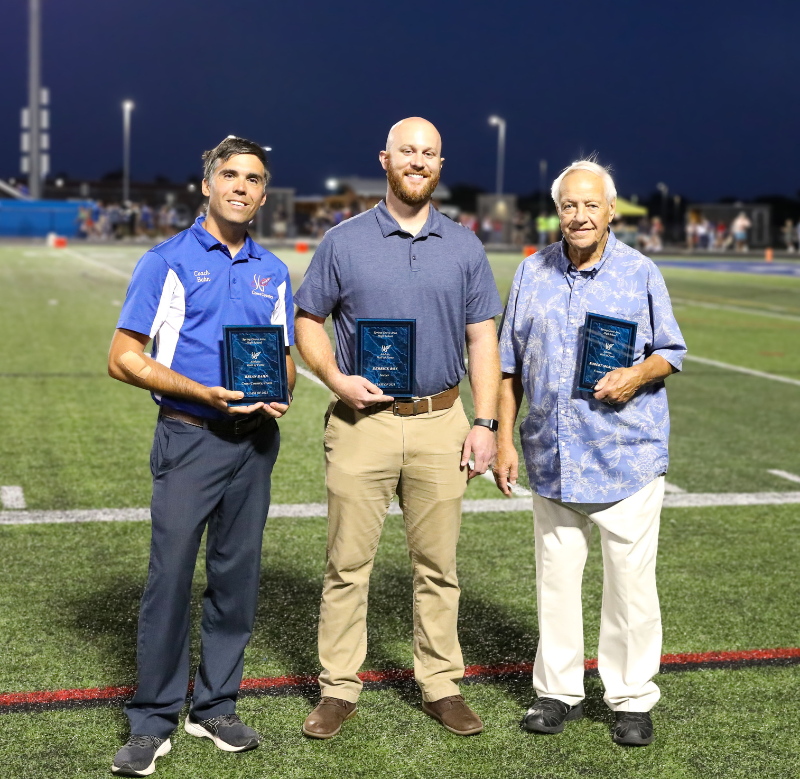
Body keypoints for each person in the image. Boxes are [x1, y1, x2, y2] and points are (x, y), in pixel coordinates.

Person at [294, 117, 502, 739]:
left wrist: (486, 421)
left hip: (442, 421)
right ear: (385, 159)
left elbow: (482, 339)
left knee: (438, 566)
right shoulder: (344, 240)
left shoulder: (464, 244)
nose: (418, 161)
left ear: (441, 164)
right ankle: (338, 687)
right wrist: (336, 378)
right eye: (407, 151)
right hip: (363, 424)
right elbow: (309, 320)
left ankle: (440, 682)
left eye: (429, 153)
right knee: (346, 565)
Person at [108, 136, 295, 776]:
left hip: (255, 445)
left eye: (254, 178)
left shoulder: (273, 269)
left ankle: (214, 705)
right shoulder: (167, 261)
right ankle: (153, 717)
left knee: (236, 581)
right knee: (170, 580)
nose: (242, 187)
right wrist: (203, 391)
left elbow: (286, 362)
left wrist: (279, 393)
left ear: (264, 193)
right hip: (190, 437)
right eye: (231, 175)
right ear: (208, 184)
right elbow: (124, 358)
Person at [494, 159, 686, 747]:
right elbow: (509, 365)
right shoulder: (532, 272)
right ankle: (557, 693)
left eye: (590, 206)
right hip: (552, 457)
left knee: (630, 591)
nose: (579, 216)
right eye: (569, 206)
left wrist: (635, 375)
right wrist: (503, 438)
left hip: (625, 457)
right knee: (555, 583)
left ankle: (630, 698)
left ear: (609, 211)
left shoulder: (640, 272)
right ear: (559, 212)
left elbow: (670, 351)